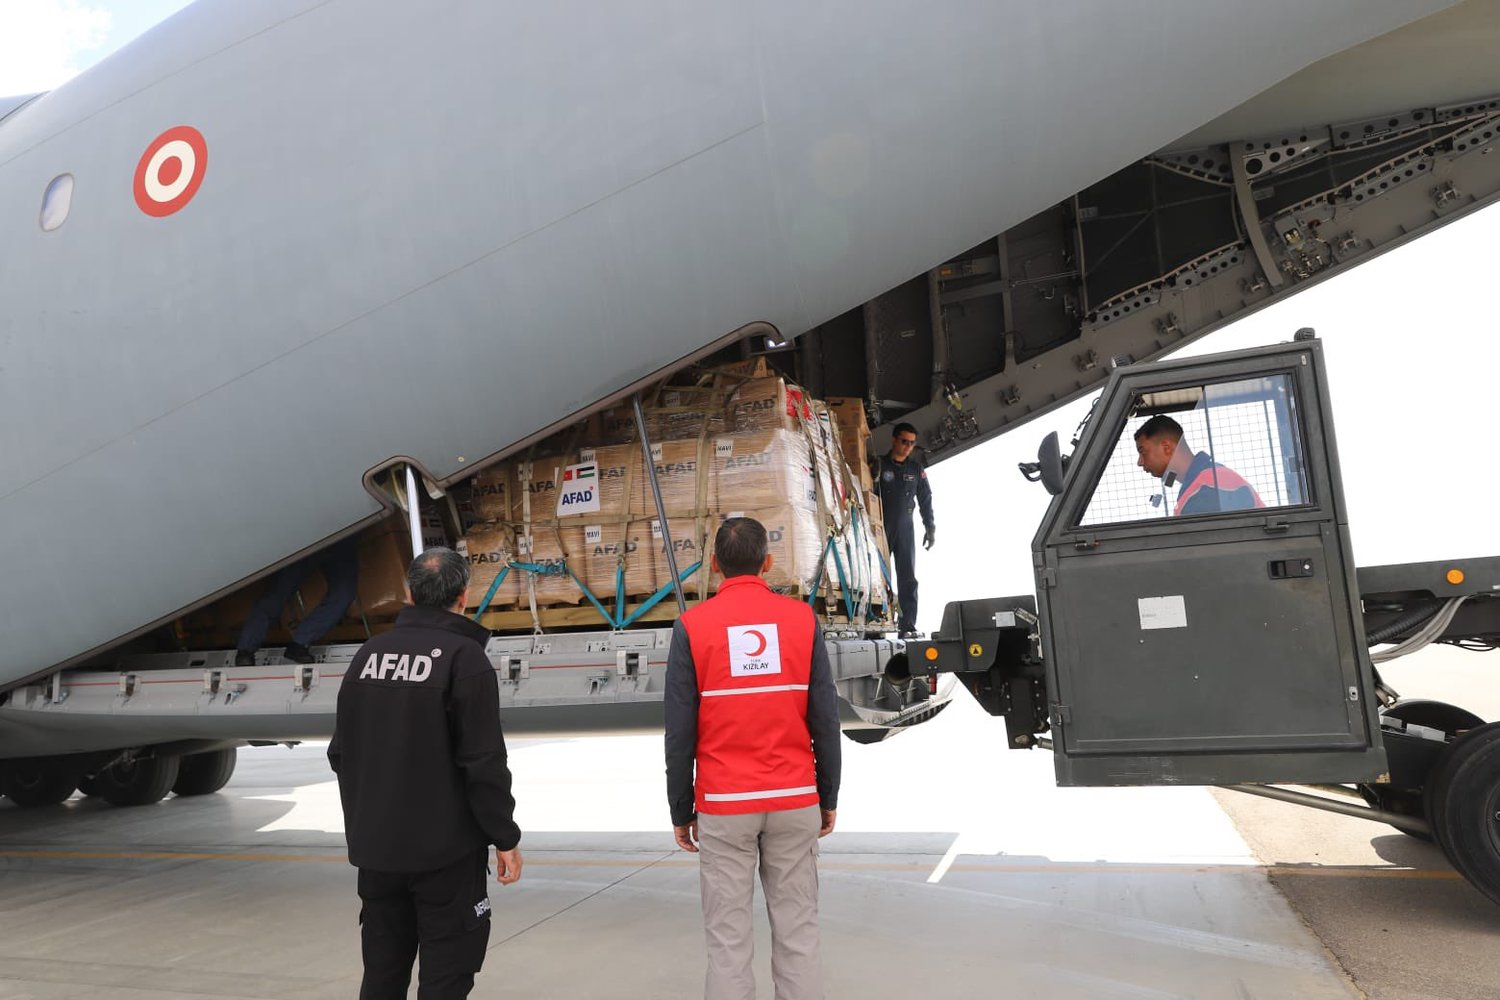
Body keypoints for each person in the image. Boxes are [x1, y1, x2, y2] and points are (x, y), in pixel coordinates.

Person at [328, 546, 522, 1000]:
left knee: (382, 974)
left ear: (410, 594)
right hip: (444, 856)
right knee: (446, 976)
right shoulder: (464, 658)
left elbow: (341, 753)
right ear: (463, 596)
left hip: (377, 853)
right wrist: (505, 836)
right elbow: (483, 762)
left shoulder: (368, 655)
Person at [665, 517, 842, 1000]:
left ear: (715, 564)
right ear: (768, 562)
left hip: (725, 805)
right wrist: (827, 796)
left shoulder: (692, 626)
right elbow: (825, 719)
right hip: (794, 798)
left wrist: (681, 809)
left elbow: (679, 733)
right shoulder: (802, 620)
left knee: (727, 941)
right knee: (799, 932)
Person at [235, 536, 359, 665]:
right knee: (278, 593)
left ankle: (299, 644)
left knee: (344, 594)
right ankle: (246, 649)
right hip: (306, 536)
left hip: (341, 537)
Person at [1134, 414, 1265, 516]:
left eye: (1142, 452)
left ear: (1166, 448)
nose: (1140, 462)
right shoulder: (1202, 483)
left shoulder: (1208, 487)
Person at [872, 422, 934, 638]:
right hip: (882, 527)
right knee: (878, 577)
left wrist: (930, 527)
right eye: (904, 441)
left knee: (908, 579)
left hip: (906, 529)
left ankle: (907, 625)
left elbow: (925, 499)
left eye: (912, 443)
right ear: (894, 440)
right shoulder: (879, 464)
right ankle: (875, 625)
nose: (908, 447)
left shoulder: (916, 469)